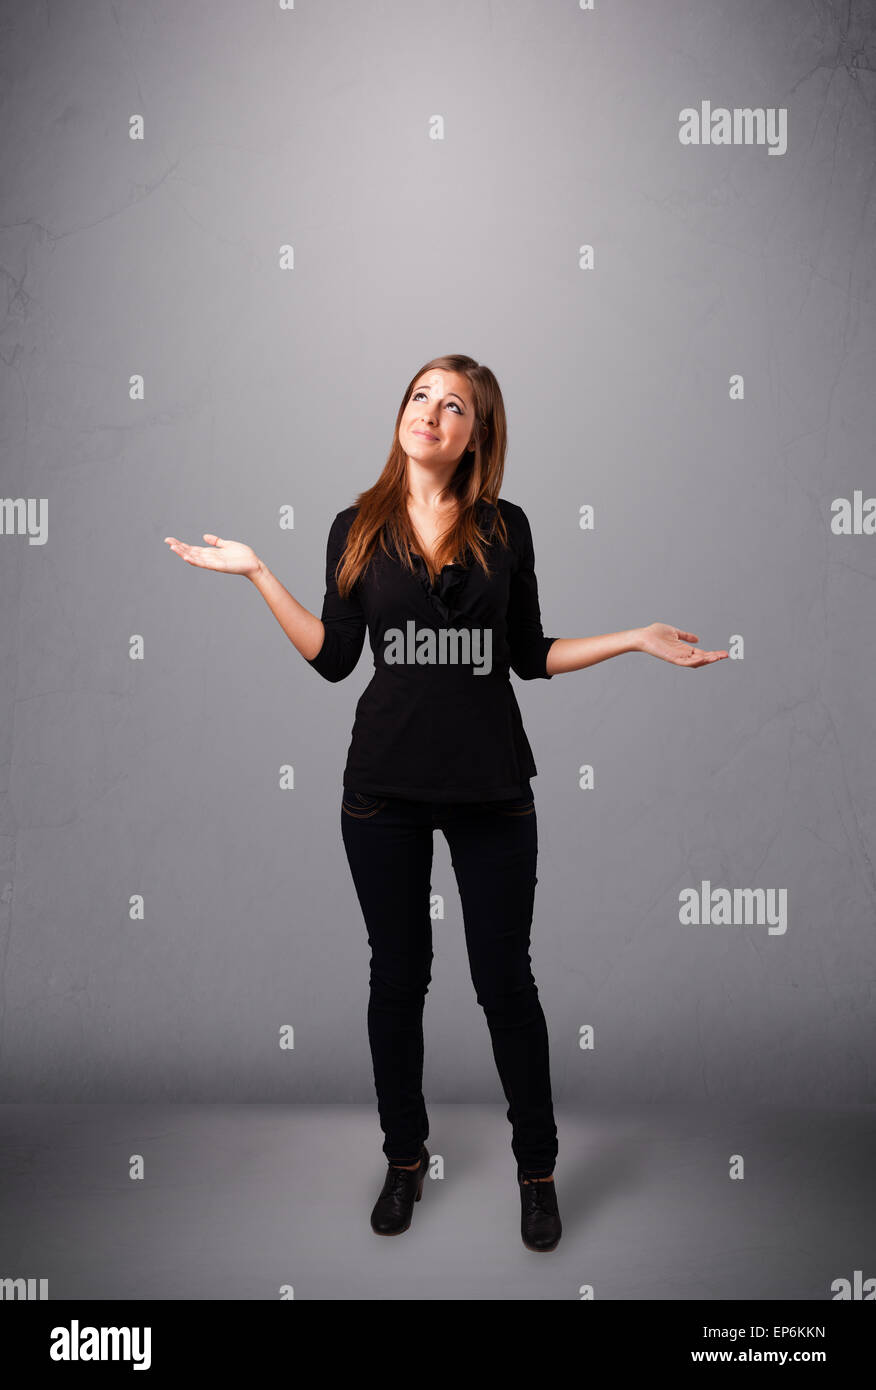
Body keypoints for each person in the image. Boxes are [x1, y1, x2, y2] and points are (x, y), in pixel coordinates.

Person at [165, 353, 728, 1254]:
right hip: (381, 788)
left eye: (453, 405)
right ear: (402, 415)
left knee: (506, 984)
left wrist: (635, 638)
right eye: (420, 396)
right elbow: (335, 658)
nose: (430, 412)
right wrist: (256, 574)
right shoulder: (357, 525)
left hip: (491, 787)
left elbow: (529, 654)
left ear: (477, 433)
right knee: (398, 981)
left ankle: (536, 1174)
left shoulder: (507, 529)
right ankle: (404, 1160)